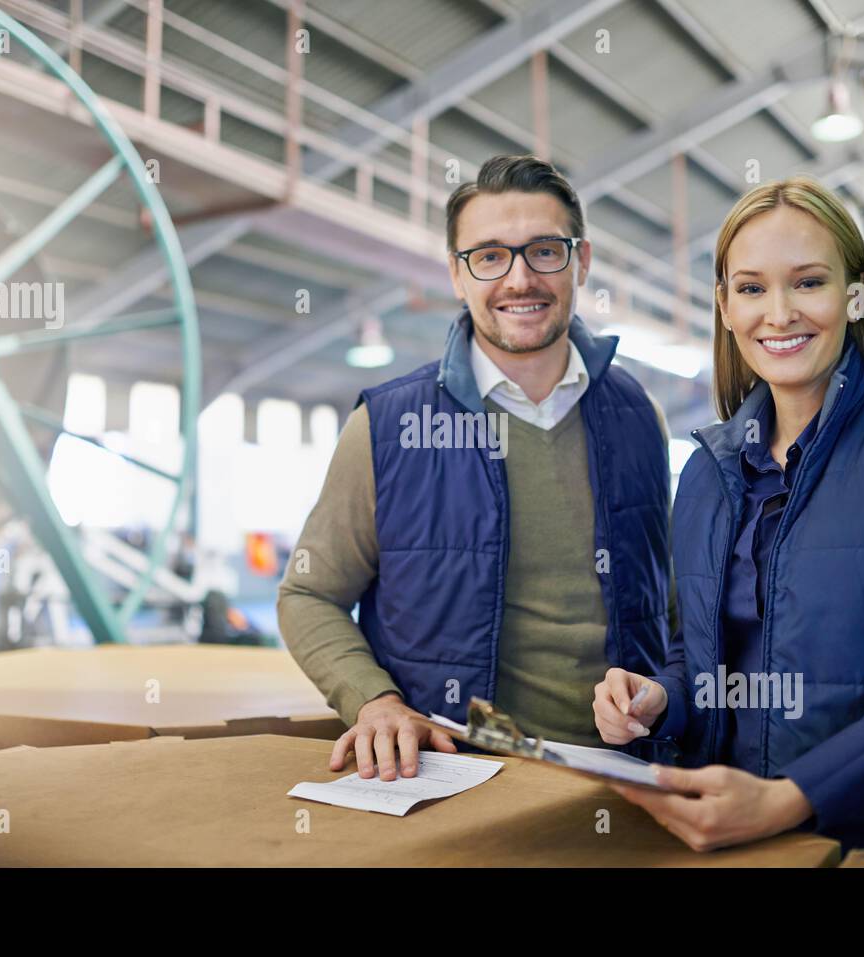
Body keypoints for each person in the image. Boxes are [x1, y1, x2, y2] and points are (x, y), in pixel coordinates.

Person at [594, 176, 864, 851]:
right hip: (734, 839)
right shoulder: (708, 470)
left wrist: (790, 799)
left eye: (809, 282)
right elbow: (696, 657)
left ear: (856, 296)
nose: (779, 313)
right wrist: (660, 698)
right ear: (725, 307)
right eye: (753, 288)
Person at [278, 154, 676, 782]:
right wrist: (374, 701)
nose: (519, 278)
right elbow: (309, 593)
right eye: (489, 256)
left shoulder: (638, 415)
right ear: (457, 276)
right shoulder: (386, 426)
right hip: (455, 768)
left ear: (582, 261)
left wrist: (667, 696)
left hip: (625, 773)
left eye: (545, 250)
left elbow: (672, 602)